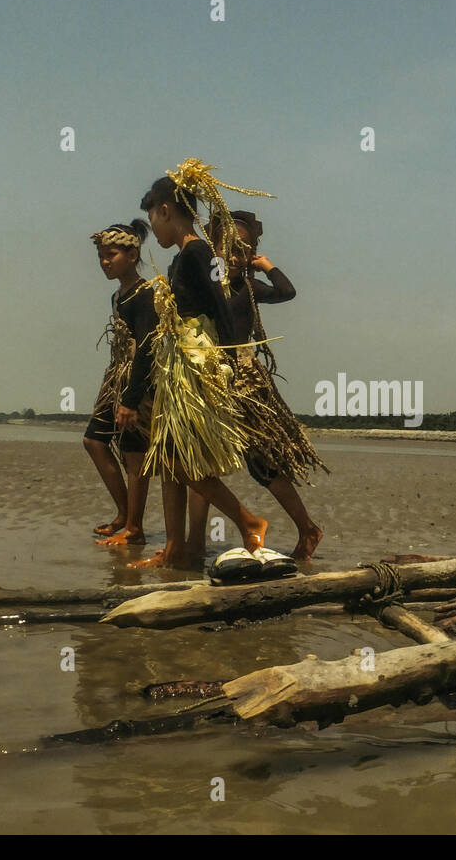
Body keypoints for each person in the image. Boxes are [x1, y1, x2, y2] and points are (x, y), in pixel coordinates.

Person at [129, 170, 268, 570]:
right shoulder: (183, 257)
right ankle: (177, 549)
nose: (153, 227)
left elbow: (221, 306)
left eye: (153, 217)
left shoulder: (199, 254)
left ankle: (248, 520)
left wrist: (226, 362)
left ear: (166, 210)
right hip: (176, 364)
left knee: (176, 460)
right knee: (171, 457)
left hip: (196, 363)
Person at [190, 210, 328, 560]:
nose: (235, 257)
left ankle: (308, 529)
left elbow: (287, 291)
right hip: (209, 381)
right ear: (214, 250)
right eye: (228, 249)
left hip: (245, 385)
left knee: (264, 465)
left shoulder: (250, 287)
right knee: (200, 461)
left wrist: (265, 264)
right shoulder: (207, 288)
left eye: (243, 250)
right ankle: (193, 543)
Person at [82, 221, 155, 547]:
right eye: (100, 256)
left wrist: (131, 396)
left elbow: (147, 347)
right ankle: (125, 516)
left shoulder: (144, 294)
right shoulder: (118, 295)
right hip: (116, 376)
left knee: (134, 453)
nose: (104, 262)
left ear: (132, 253)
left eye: (111, 255)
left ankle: (134, 528)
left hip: (137, 381)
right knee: (94, 441)